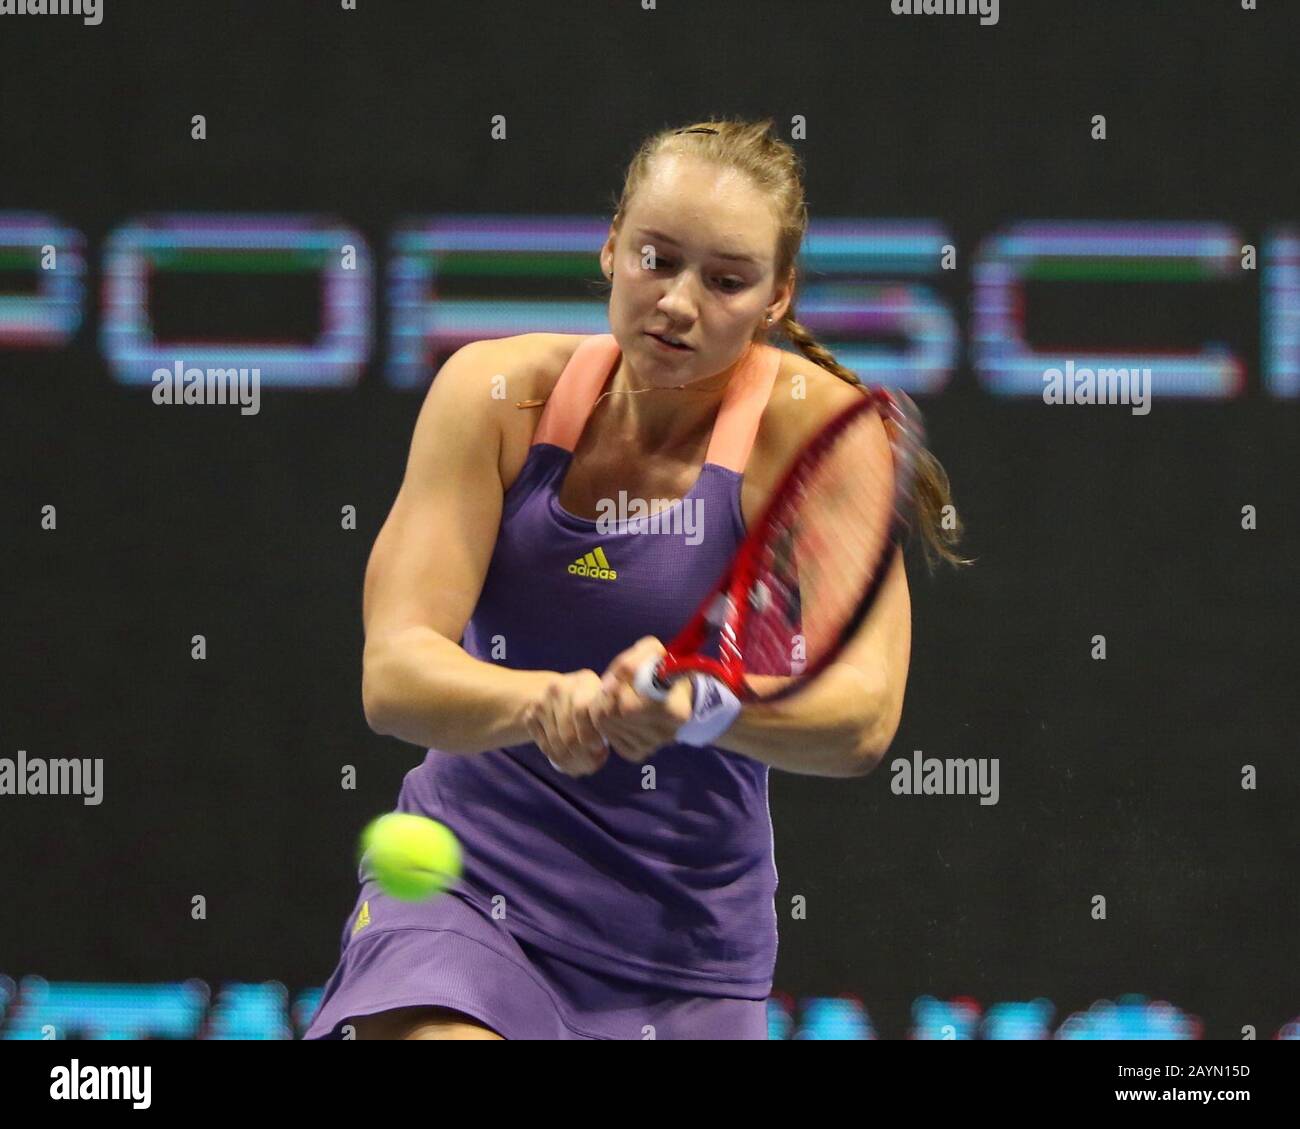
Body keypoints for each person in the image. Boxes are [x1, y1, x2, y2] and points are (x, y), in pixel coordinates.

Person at [304, 117, 965, 1041]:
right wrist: (546, 702)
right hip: (467, 893)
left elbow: (861, 720)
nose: (679, 303)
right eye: (656, 259)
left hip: (683, 951)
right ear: (611, 246)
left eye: (727, 281)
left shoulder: (821, 436)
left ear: (778, 297)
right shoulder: (493, 396)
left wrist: (706, 705)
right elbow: (396, 674)